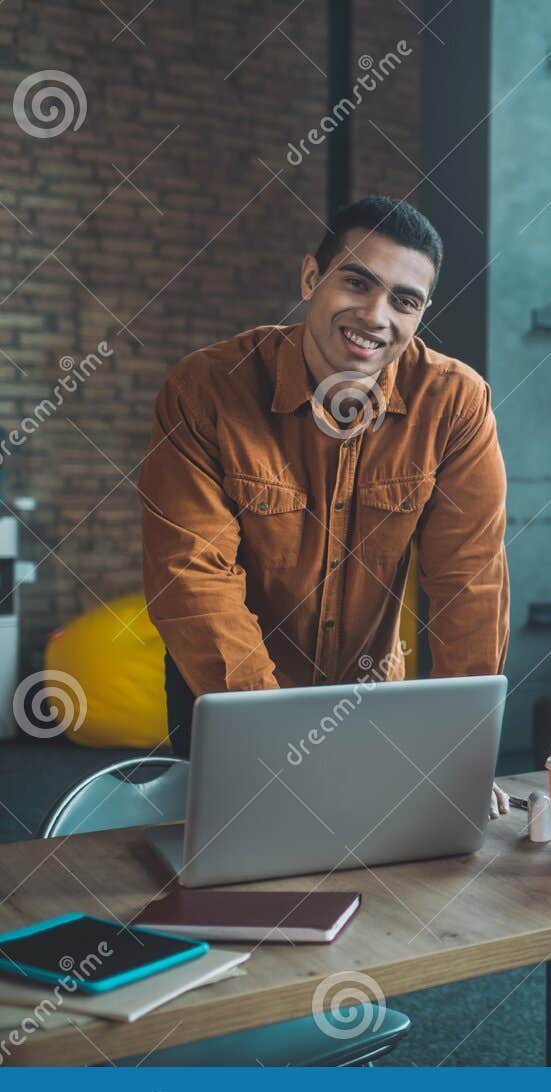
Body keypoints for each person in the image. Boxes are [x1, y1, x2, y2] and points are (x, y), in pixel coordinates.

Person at [138, 195, 512, 817]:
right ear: (311, 277)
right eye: (357, 282)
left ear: (421, 313)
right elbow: (192, 576)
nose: (375, 316)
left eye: (404, 300)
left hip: (370, 703)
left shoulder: (456, 404)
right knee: (235, 865)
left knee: (394, 867)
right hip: (229, 699)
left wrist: (459, 750)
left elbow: (469, 581)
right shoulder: (204, 390)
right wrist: (274, 736)